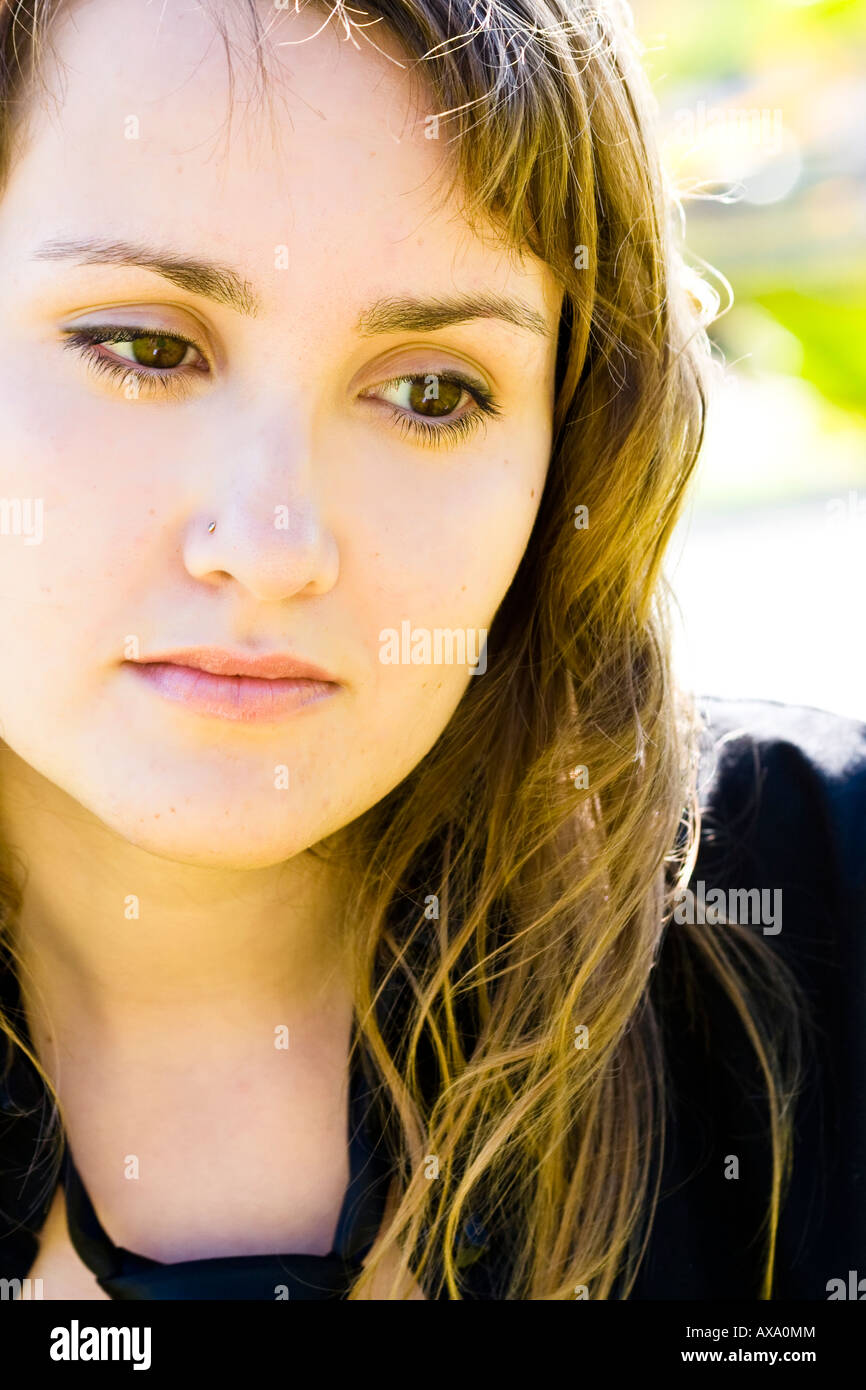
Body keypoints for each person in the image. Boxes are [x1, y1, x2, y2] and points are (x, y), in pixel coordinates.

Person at [0, 0, 862, 1302]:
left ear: (571, 444)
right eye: (141, 347)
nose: (275, 543)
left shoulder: (816, 896)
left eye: (429, 390)